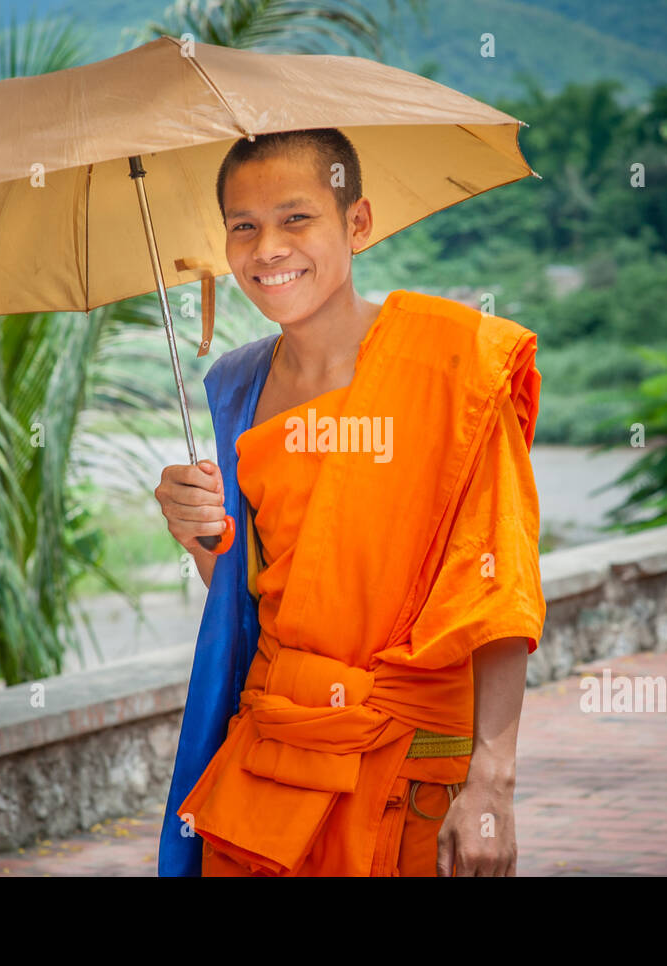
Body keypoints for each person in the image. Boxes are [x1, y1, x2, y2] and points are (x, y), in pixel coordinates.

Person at [153, 127, 544, 876]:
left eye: (296, 218)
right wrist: (204, 540)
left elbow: (498, 592)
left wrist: (493, 781)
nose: (267, 248)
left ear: (356, 222)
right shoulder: (239, 387)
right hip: (268, 763)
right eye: (244, 226)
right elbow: (257, 595)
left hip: (411, 766)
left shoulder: (448, 362)